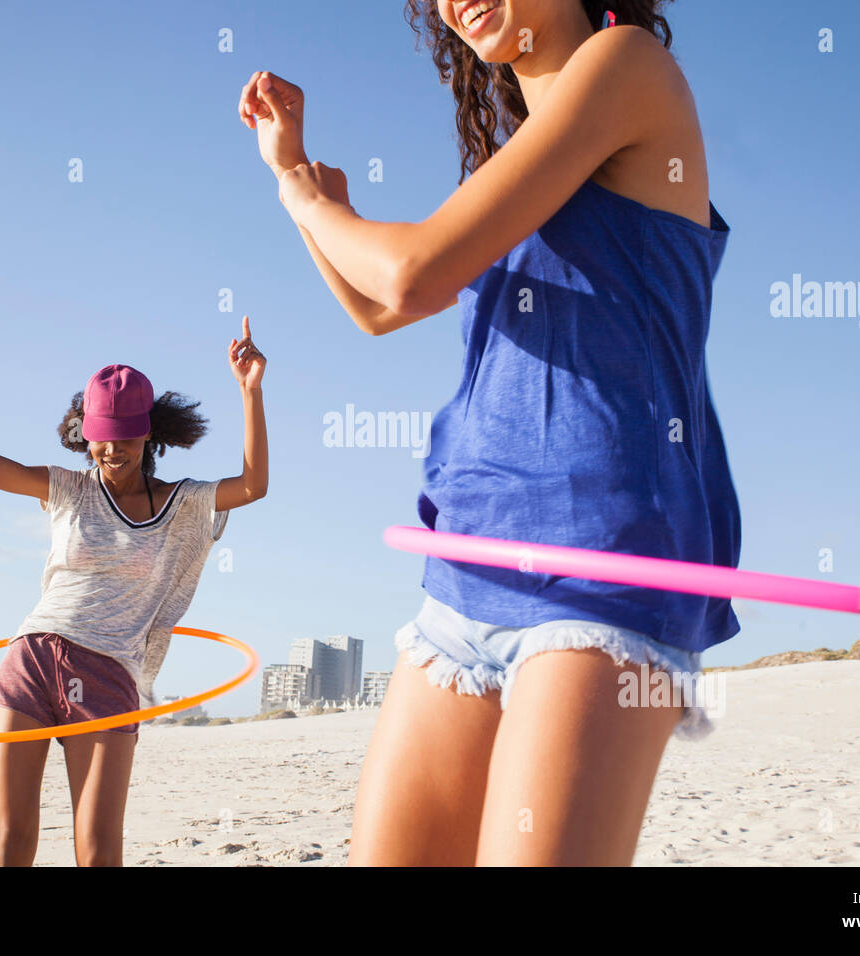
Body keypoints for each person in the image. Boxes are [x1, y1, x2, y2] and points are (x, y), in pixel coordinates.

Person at [237, 0, 740, 865]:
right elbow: (376, 306)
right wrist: (300, 189)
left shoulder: (627, 65)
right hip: (468, 565)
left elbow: (413, 273)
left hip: (605, 572)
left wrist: (301, 197)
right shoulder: (520, 161)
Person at [0, 292, 268, 866]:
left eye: (126, 438)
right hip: (32, 658)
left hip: (108, 671)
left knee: (96, 851)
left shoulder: (184, 503)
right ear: (83, 433)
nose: (111, 450)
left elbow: (253, 485)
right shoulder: (67, 488)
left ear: (150, 437)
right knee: (11, 843)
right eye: (100, 436)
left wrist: (250, 391)